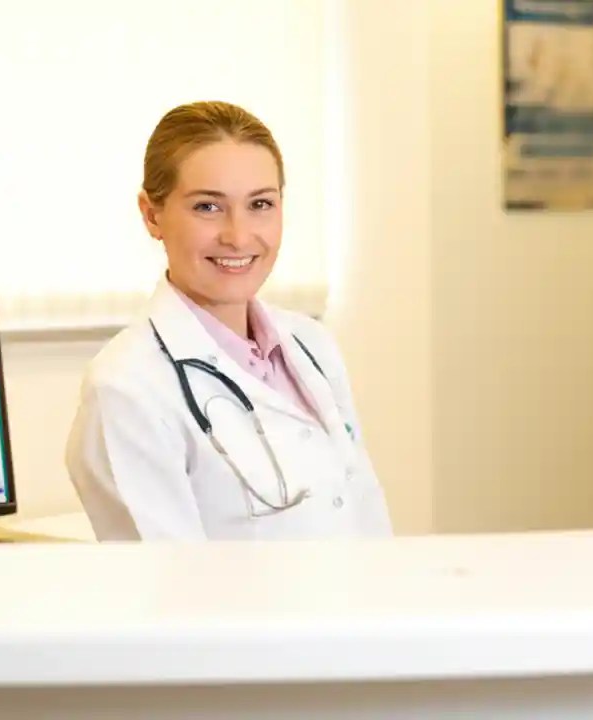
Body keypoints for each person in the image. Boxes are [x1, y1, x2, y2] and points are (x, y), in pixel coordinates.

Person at [65, 101, 392, 541]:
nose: (238, 236)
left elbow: (367, 518)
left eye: (260, 204)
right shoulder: (126, 388)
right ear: (151, 214)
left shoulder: (313, 345)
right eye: (207, 207)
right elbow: (164, 575)